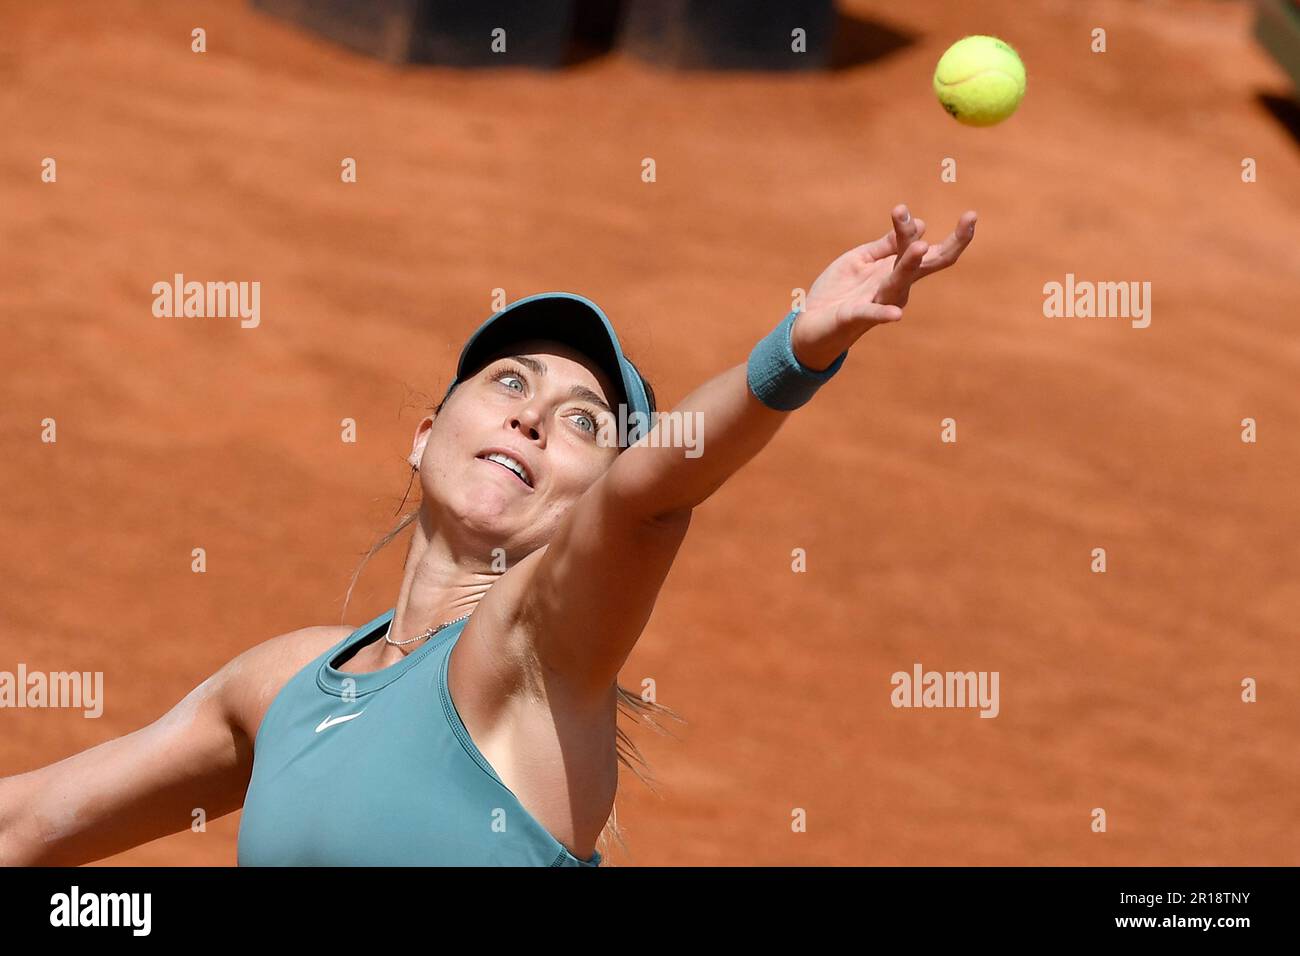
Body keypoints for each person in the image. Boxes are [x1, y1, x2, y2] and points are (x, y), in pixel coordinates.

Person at [0, 204, 976, 866]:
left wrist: (796, 352)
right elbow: (32, 819)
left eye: (586, 420)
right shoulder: (282, 682)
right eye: (509, 380)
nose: (534, 416)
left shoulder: (531, 659)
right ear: (427, 429)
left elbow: (653, 496)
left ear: (589, 498)